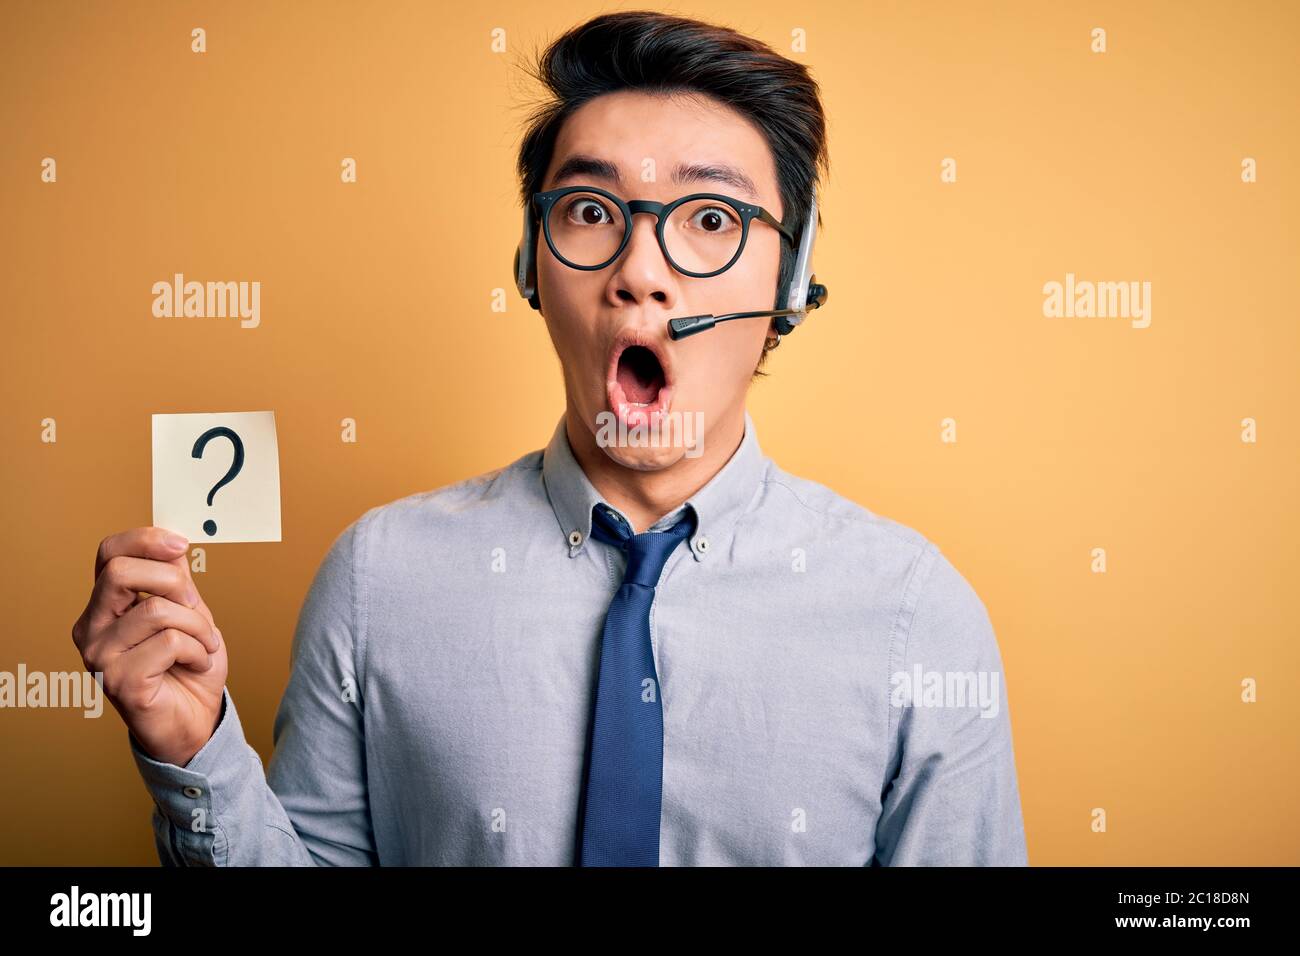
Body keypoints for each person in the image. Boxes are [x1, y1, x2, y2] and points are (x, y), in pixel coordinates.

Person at [70, 10, 1027, 866]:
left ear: (790, 282)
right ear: (533, 262)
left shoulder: (916, 616)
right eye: (590, 212)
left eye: (710, 220)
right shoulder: (378, 579)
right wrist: (193, 756)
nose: (640, 272)